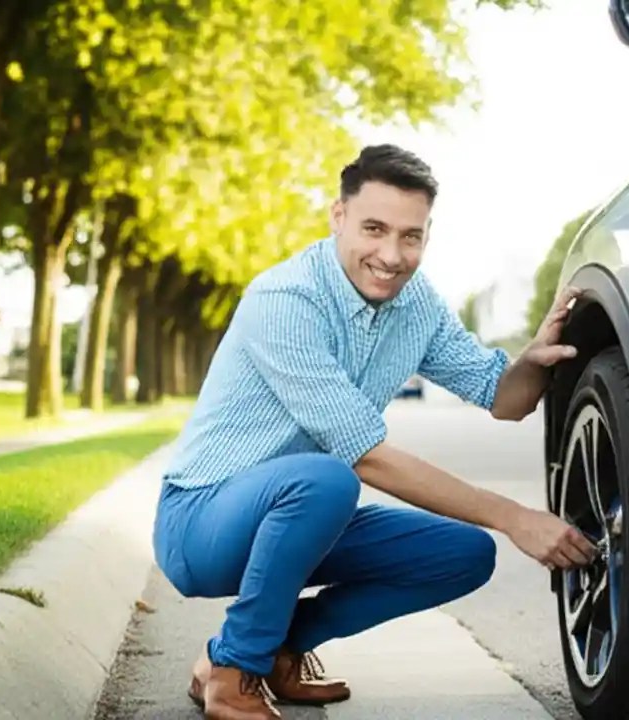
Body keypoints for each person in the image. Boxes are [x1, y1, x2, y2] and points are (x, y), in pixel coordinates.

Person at [152, 144, 598, 720]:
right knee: (329, 479)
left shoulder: (417, 306)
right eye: (374, 229)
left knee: (465, 553)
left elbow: (506, 400)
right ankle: (235, 673)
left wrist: (533, 358)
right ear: (338, 216)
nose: (391, 255)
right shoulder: (286, 300)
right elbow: (365, 459)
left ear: (427, 236)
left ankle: (274, 648)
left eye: (411, 236)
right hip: (202, 524)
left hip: (306, 516)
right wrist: (515, 515)